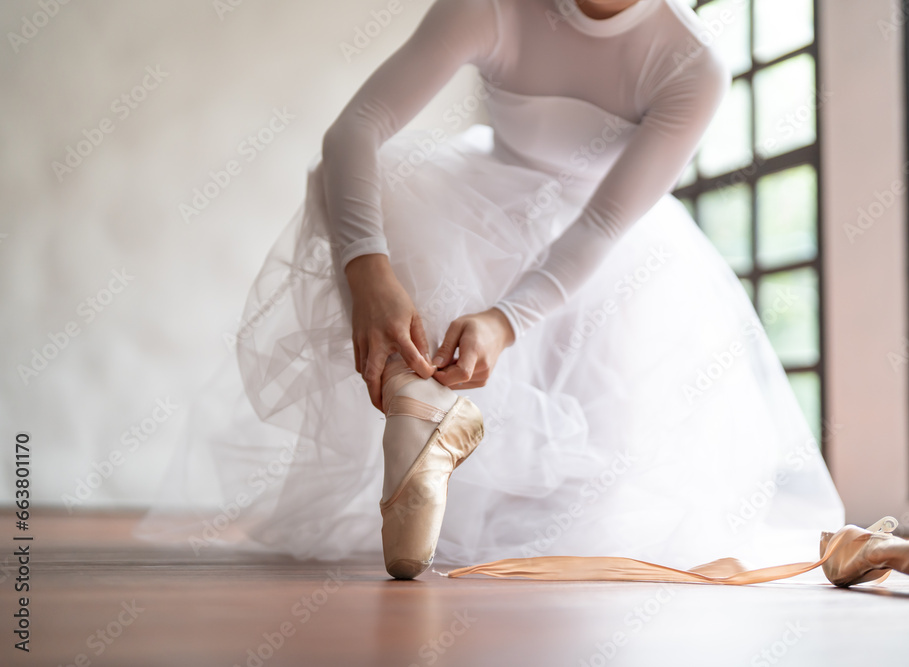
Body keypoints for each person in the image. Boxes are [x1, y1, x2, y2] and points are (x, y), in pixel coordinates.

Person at [138, 0, 847, 579]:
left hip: (612, 253)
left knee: (602, 487)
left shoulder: (693, 63)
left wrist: (507, 318)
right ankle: (422, 416)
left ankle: (455, 471)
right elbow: (355, 130)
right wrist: (369, 272)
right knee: (375, 196)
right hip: (481, 196)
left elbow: (603, 222)